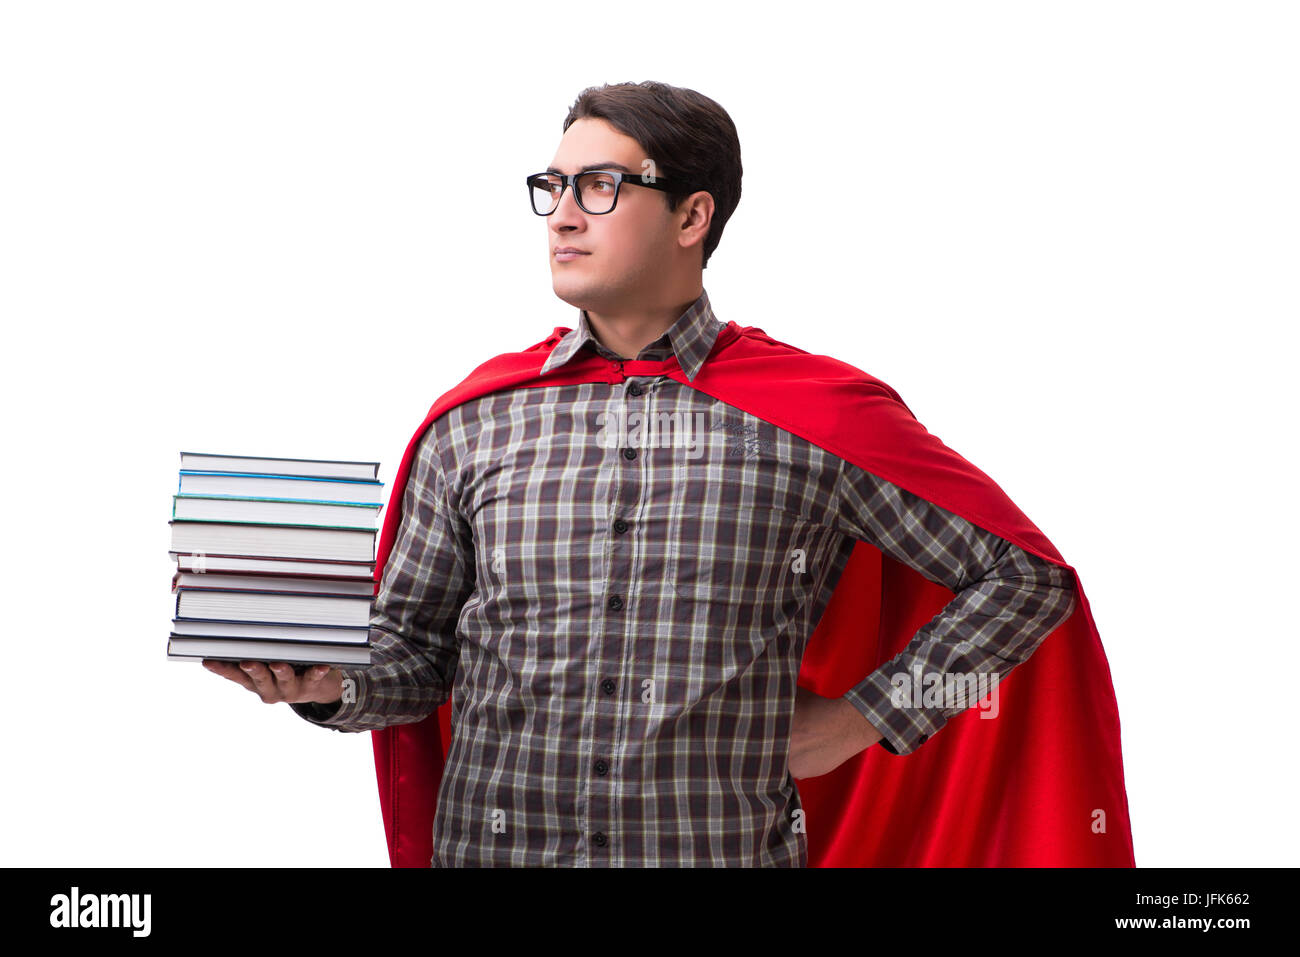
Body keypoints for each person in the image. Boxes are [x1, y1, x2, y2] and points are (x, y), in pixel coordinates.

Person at [204, 80, 1096, 867]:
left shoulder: (817, 416)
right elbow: (415, 652)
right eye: (552, 187)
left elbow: (1027, 580)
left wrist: (865, 717)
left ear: (691, 216)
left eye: (599, 186)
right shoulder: (473, 423)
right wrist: (330, 683)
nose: (561, 214)